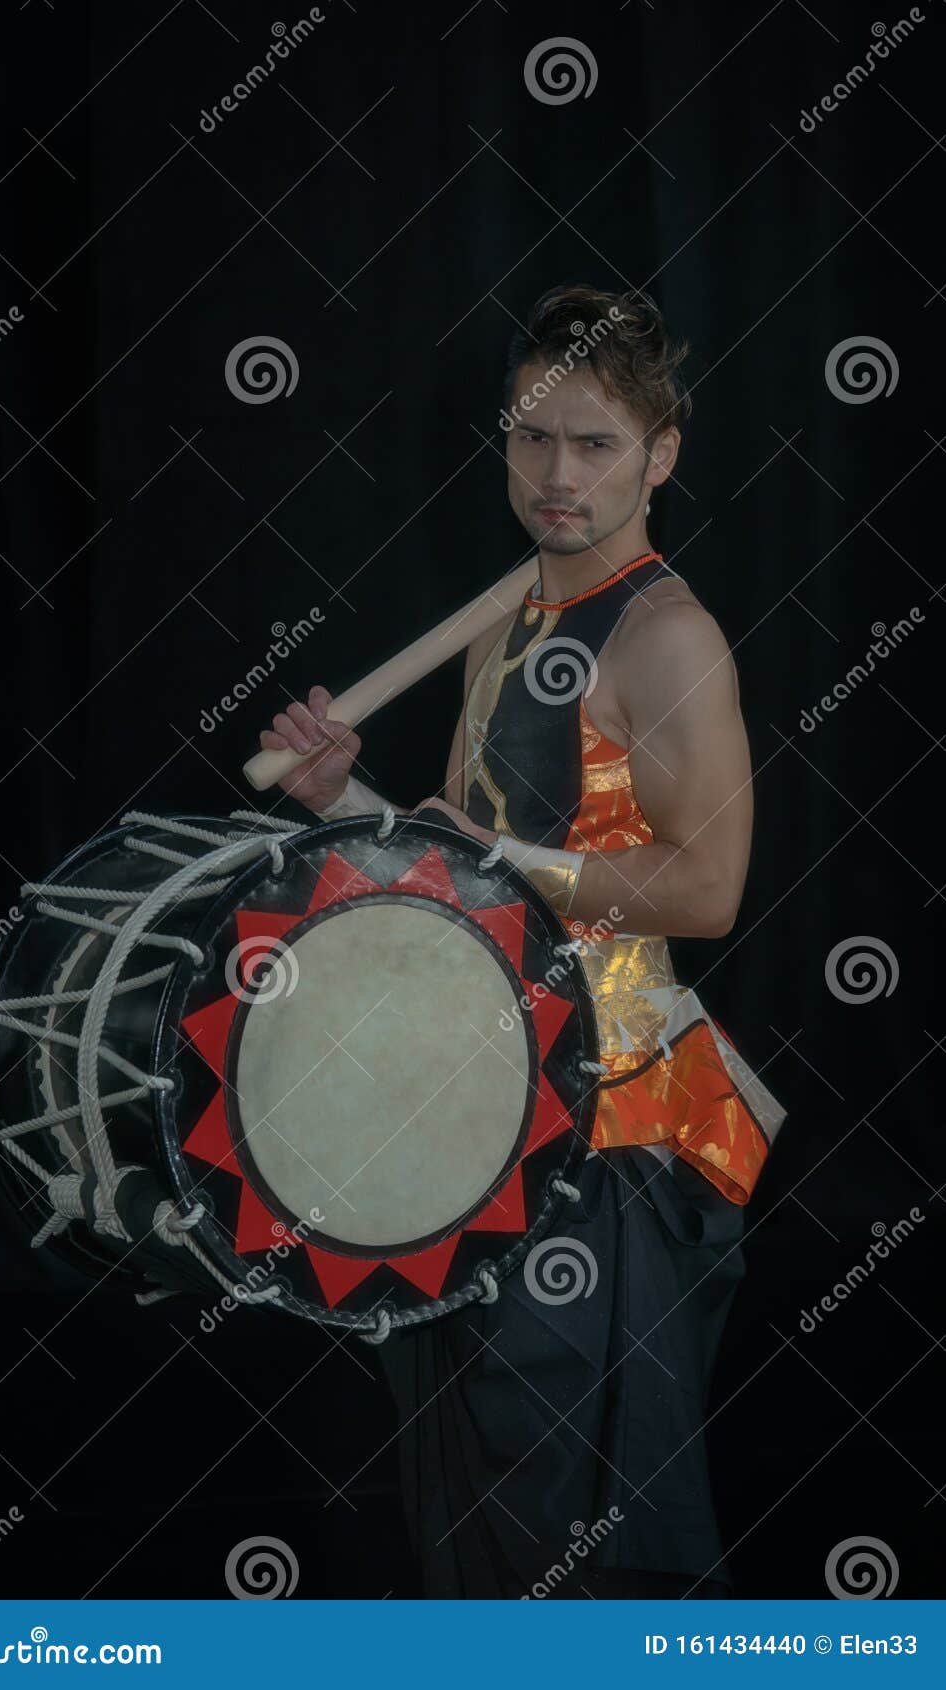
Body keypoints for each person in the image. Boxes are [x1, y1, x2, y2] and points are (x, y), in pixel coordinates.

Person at [256, 284, 787, 1598]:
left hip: (617, 1132)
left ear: (661, 454)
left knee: (606, 1533)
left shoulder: (669, 640)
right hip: (479, 1112)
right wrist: (349, 805)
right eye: (534, 438)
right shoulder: (505, 619)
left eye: (596, 443)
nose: (558, 474)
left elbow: (710, 886)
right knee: (479, 1508)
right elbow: (460, 862)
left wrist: (512, 859)